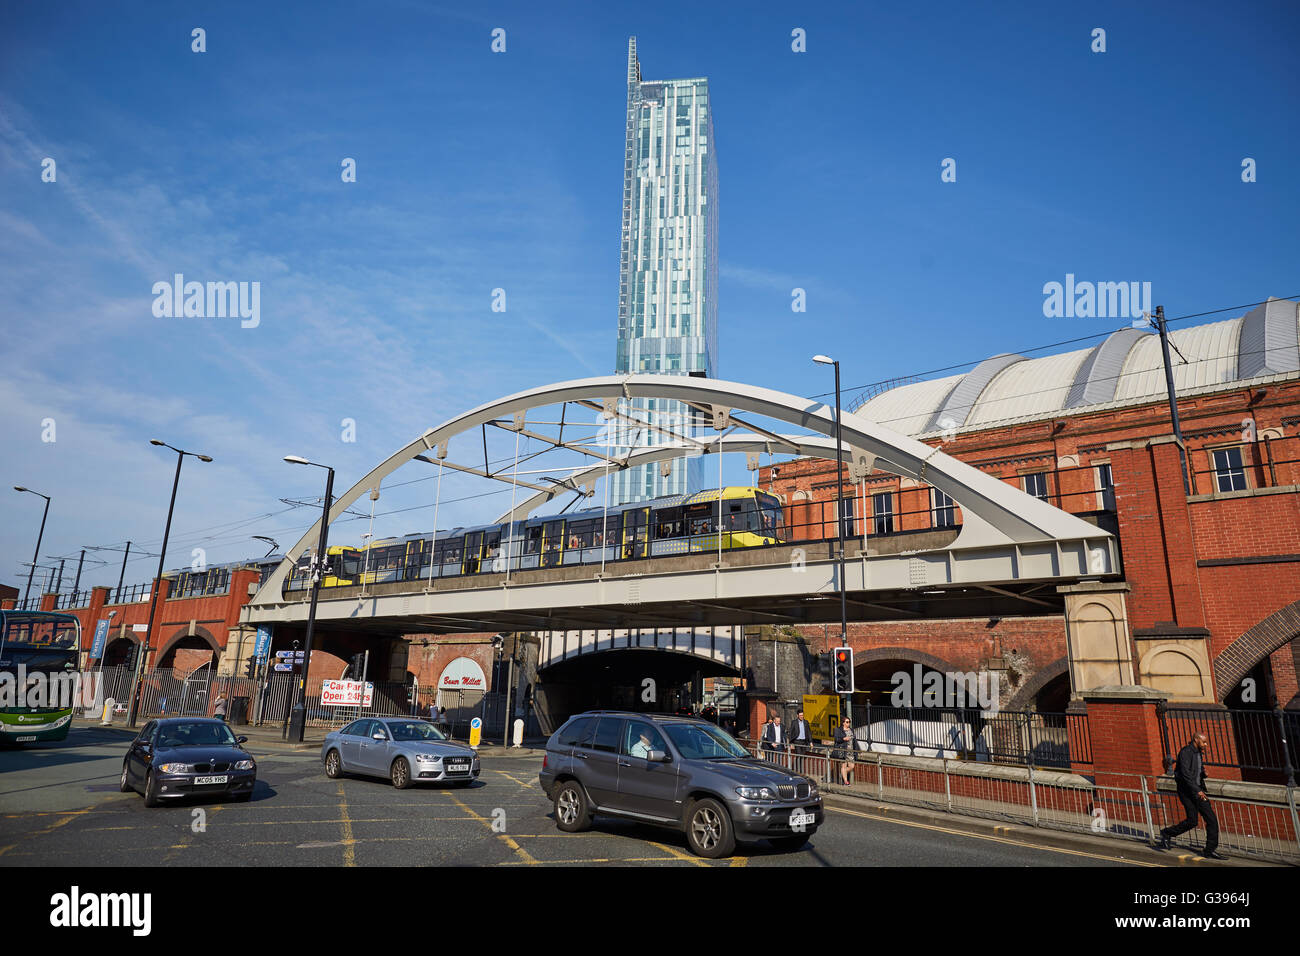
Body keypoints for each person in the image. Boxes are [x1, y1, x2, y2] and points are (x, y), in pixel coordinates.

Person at [1155, 732, 1222, 858]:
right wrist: (1197, 790)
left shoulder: (1198, 753)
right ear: (1196, 740)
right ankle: (1167, 833)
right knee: (1192, 821)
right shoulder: (1185, 752)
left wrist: (1203, 774)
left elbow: (1196, 772)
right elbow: (1185, 775)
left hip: (1197, 790)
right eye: (1204, 742)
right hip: (1187, 792)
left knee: (1211, 819)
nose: (1206, 745)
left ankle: (1209, 850)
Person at [833, 717, 858, 785]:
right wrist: (843, 739)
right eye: (847, 722)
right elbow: (836, 739)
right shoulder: (838, 730)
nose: (848, 723)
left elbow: (854, 741)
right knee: (843, 766)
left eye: (849, 722)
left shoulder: (851, 730)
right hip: (843, 750)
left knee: (851, 766)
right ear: (843, 723)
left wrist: (857, 750)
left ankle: (843, 773)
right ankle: (846, 781)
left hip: (851, 751)